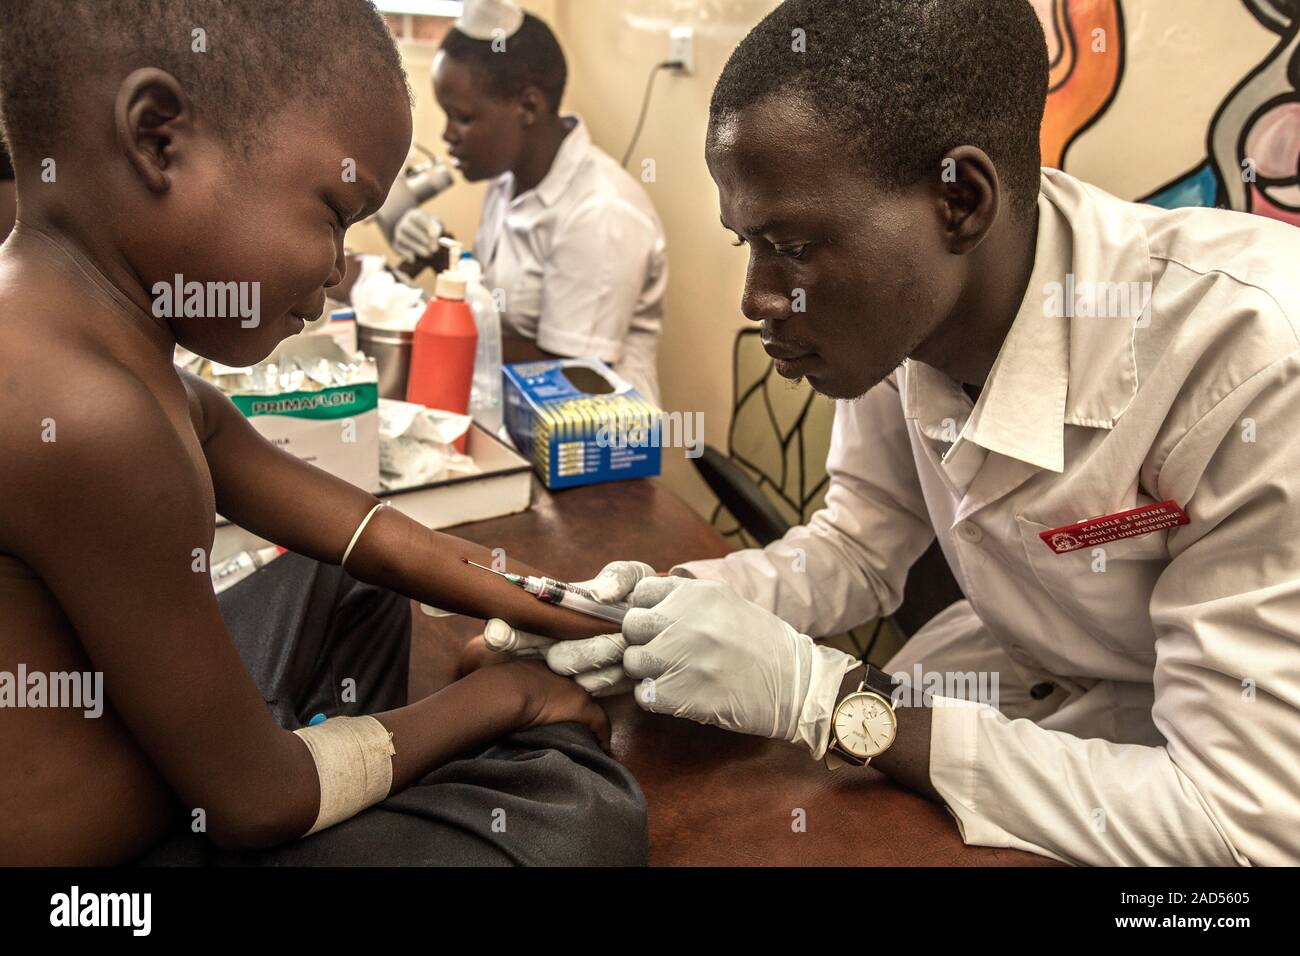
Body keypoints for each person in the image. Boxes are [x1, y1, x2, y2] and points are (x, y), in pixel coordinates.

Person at [482, 0, 1300, 866]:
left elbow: (1237, 821)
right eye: (747, 246)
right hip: (1012, 689)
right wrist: (661, 607)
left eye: (792, 246)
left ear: (961, 198)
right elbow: (860, 546)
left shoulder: (1246, 360)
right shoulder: (909, 315)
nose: (758, 299)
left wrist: (829, 703)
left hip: (1180, 775)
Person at [0, 0, 645, 867]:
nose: (340, 273)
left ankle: (342, 768)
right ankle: (339, 772)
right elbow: (252, 802)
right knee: (581, 812)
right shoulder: (89, 421)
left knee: (341, 580)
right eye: (336, 214)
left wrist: (566, 607)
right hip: (153, 850)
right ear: (159, 141)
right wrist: (512, 699)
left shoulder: (104, 346)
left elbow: (368, 535)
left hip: (190, 766)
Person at [399, 1, 668, 403]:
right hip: (514, 415)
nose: (447, 135)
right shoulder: (509, 180)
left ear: (528, 106)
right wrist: (444, 255)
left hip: (595, 443)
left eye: (462, 117)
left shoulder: (601, 212)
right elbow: (500, 299)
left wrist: (415, 327)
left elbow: (572, 373)